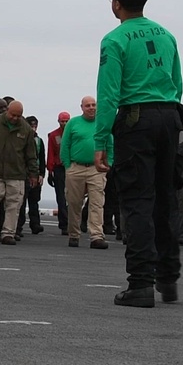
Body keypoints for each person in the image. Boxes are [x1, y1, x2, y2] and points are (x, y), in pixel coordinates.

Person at [93, 0, 183, 308]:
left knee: (136, 200)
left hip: (136, 120)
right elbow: (177, 83)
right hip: (170, 117)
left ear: (116, 2)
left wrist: (102, 139)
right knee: (167, 198)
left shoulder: (114, 40)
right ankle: (168, 277)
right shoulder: (167, 35)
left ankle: (141, 284)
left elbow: (108, 94)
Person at [0, 100, 39, 245]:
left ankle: (8, 233)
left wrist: (33, 173)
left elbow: (31, 154)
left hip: (16, 173)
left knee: (14, 204)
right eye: (13, 115)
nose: (15, 118)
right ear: (7, 111)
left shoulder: (26, 129)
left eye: (18, 116)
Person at [61, 96, 112, 250]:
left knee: (97, 203)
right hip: (76, 168)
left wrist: (109, 164)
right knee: (74, 203)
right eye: (88, 105)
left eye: (94, 105)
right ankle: (74, 234)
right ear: (81, 107)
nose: (91, 108)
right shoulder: (73, 123)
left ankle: (96, 236)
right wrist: (68, 166)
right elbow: (65, 145)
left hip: (96, 169)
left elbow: (110, 145)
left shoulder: (103, 124)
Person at [17, 116, 47, 238]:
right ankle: (19, 226)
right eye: (31, 126)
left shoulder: (39, 141)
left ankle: (35, 224)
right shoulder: (22, 140)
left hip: (35, 173)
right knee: (22, 201)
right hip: (24, 173)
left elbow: (41, 157)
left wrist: (41, 174)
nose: (33, 129)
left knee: (34, 201)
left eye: (35, 126)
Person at [47, 112, 71, 235]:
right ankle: (64, 224)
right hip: (59, 168)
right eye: (62, 121)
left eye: (67, 121)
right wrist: (50, 171)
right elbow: (51, 153)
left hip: (72, 167)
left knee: (73, 196)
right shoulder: (53, 135)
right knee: (61, 197)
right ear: (58, 121)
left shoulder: (73, 134)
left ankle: (73, 222)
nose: (65, 124)